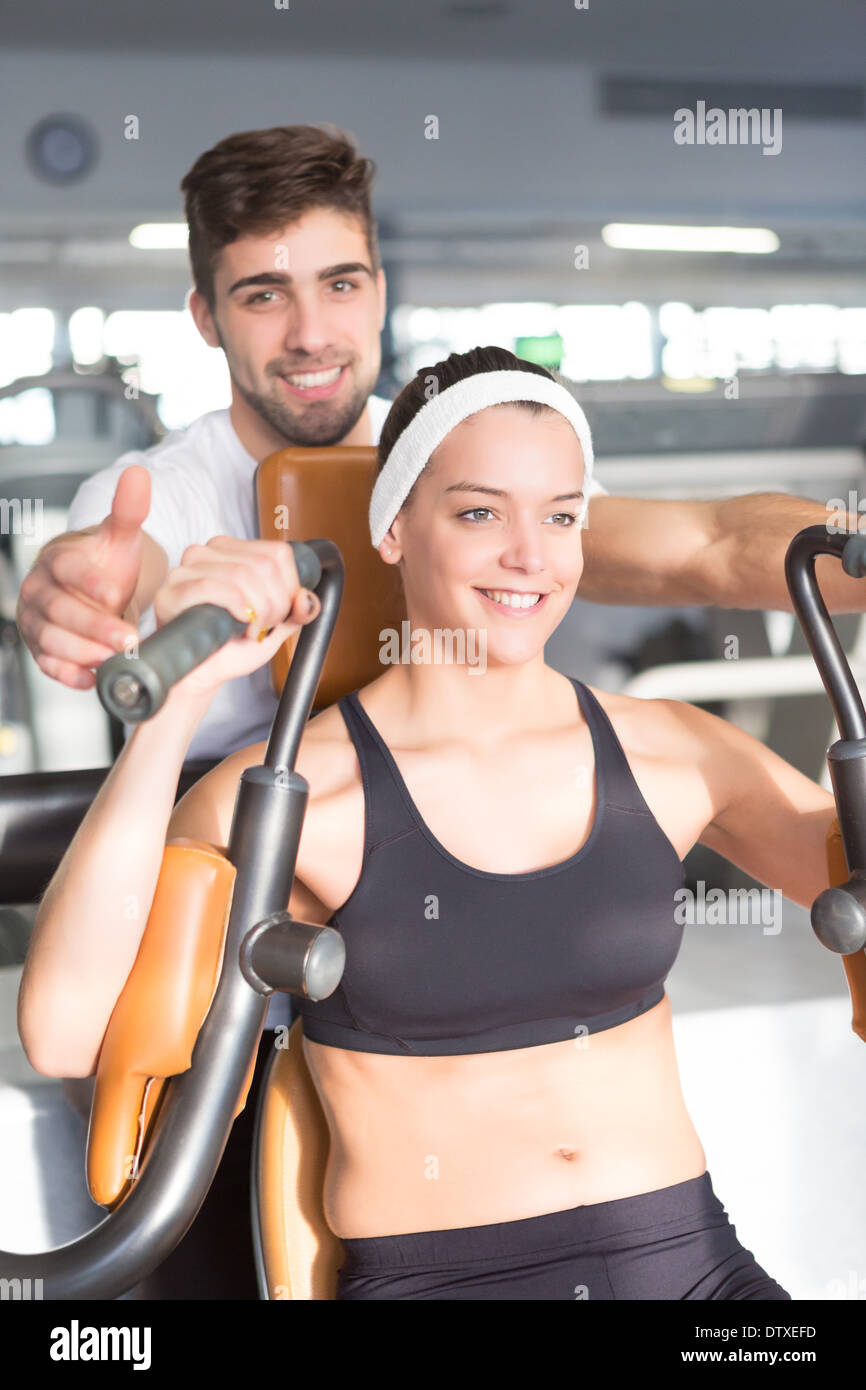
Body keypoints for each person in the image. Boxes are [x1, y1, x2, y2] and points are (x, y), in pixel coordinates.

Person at [19, 345, 838, 1300]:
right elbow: (69, 1031)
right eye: (480, 512)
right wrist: (170, 718)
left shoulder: (673, 752)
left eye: (562, 517)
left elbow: (844, 871)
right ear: (396, 526)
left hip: (695, 1272)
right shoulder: (299, 792)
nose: (531, 556)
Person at [16, 123, 866, 765]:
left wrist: (855, 551)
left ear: (379, 292)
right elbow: (115, 572)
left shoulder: (462, 456)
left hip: (444, 844)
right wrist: (84, 596)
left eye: (340, 284)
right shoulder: (157, 494)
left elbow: (710, 546)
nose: (312, 334)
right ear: (206, 317)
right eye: (264, 296)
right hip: (248, 865)